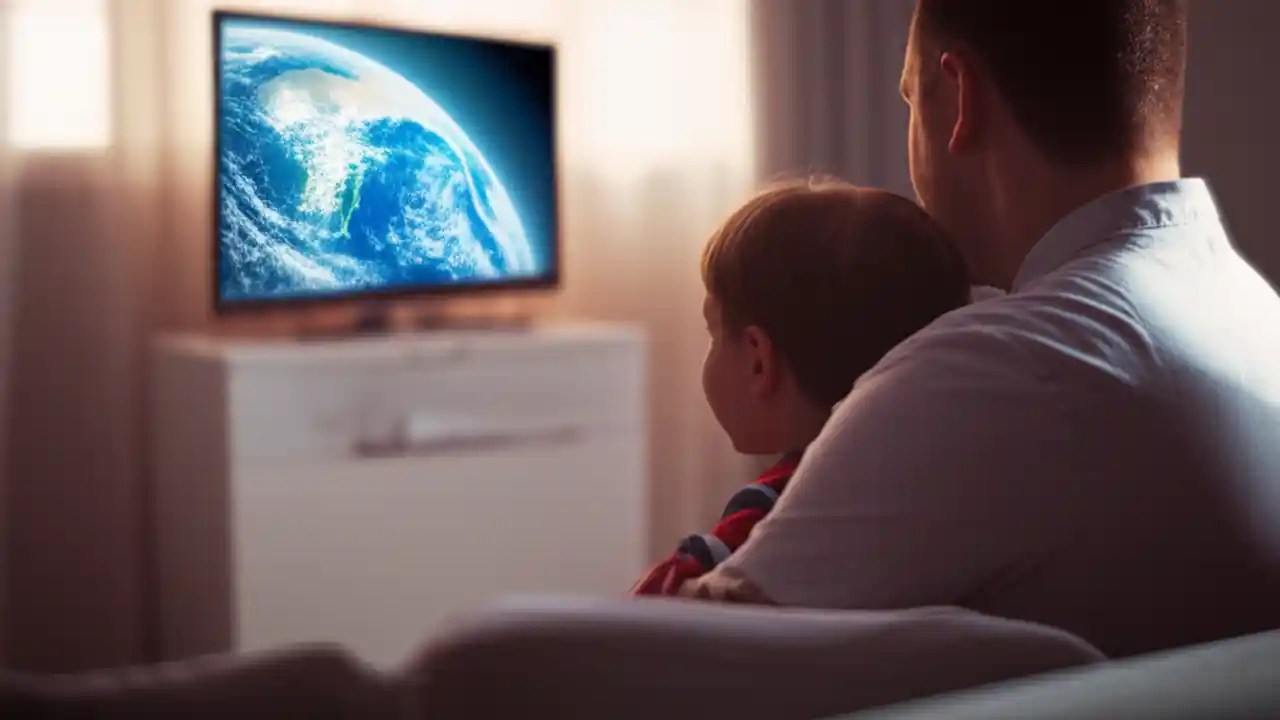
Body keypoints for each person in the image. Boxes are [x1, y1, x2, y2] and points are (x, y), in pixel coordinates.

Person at [687, 0, 1280, 658]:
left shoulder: (996, 368)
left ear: (961, 96)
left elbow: (691, 662)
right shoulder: (1255, 316)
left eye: (912, 102)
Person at [631, 177, 970, 596]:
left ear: (759, 361)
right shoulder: (944, 487)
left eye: (713, 332)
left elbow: (653, 618)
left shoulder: (771, 515)